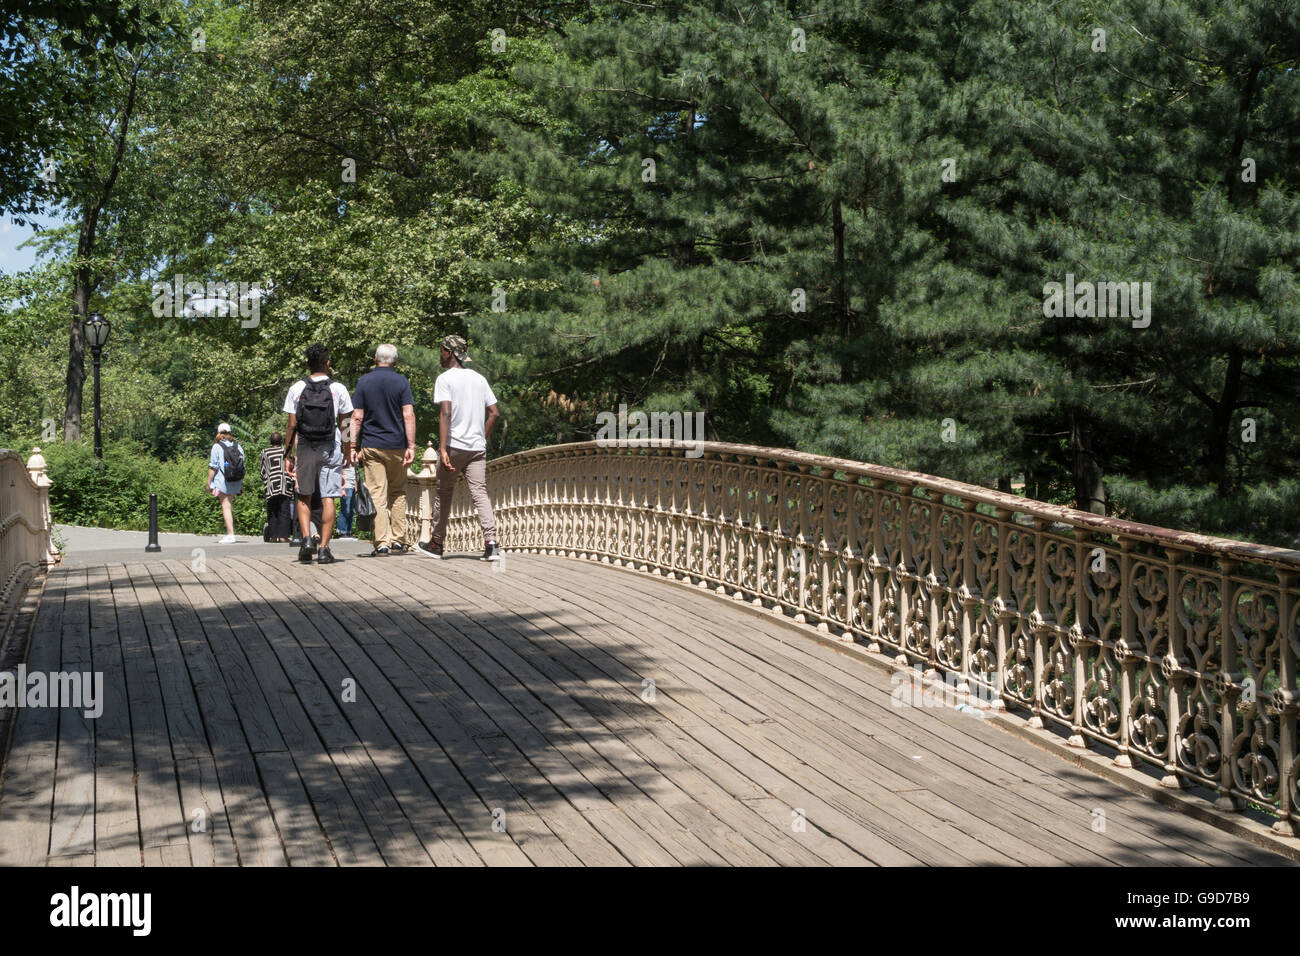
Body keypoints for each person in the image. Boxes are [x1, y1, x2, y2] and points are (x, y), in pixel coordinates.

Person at [416, 334, 502, 560]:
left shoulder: (445, 379)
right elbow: (494, 413)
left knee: (443, 494)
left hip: (454, 447)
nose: (440, 354)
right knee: (480, 493)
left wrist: (443, 449)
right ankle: (491, 543)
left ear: (450, 352)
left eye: (442, 350)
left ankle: (436, 544)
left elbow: (445, 412)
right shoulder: (479, 379)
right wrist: (480, 438)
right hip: (477, 448)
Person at [283, 343, 353, 565]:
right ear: (328, 363)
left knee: (304, 495)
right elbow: (346, 423)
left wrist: (287, 455)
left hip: (304, 446)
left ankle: (305, 541)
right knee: (328, 497)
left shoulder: (296, 388)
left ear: (307, 364)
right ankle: (324, 548)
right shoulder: (338, 389)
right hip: (329, 446)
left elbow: (291, 425)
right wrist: (348, 450)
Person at [350, 343, 416, 556]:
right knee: (397, 492)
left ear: (375, 359)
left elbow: (356, 416)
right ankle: (398, 539)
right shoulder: (401, 382)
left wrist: (351, 445)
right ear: (395, 361)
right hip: (396, 446)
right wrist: (411, 446)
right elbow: (408, 415)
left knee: (376, 493)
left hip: (372, 445)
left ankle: (382, 542)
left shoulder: (364, 381)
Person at [207, 423, 244, 544]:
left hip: (222, 481)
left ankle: (231, 535)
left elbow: (213, 467)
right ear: (230, 432)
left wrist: (209, 483)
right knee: (228, 505)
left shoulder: (217, 447)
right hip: (236, 481)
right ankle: (229, 533)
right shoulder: (238, 446)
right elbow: (242, 464)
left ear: (219, 433)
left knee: (225, 505)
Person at [260, 432, 293, 542]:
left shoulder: (265, 452)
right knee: (284, 510)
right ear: (281, 441)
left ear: (270, 442)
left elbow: (262, 471)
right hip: (284, 485)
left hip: (271, 486)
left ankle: (273, 536)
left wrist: (266, 480)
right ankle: (284, 536)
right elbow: (291, 466)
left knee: (272, 510)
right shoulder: (285, 451)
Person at [337, 461, 357, 539]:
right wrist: (342, 488)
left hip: (352, 486)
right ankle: (342, 531)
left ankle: (349, 531)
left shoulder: (354, 459)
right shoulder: (343, 457)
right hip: (346, 486)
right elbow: (340, 472)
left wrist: (356, 486)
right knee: (345, 509)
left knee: (351, 510)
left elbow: (354, 473)